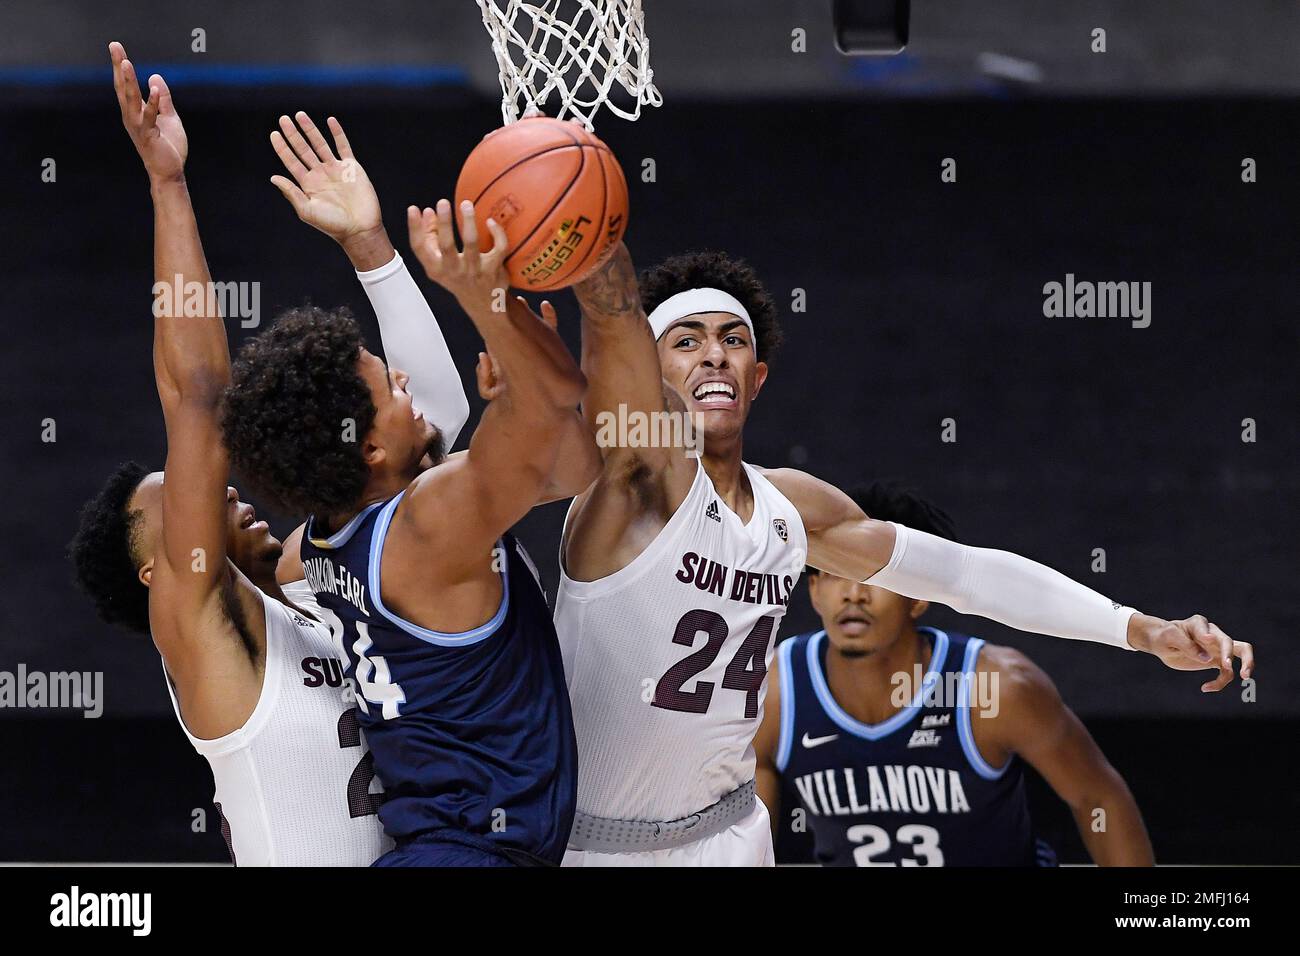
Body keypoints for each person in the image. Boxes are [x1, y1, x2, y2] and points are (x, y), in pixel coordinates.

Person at [554, 245, 1253, 866]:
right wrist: (593, 247)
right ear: (649, 370)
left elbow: (968, 574)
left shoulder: (793, 512)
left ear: (757, 376)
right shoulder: (631, 484)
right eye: (686, 340)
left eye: (732, 339)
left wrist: (1141, 630)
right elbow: (613, 330)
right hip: (600, 839)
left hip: (732, 835)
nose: (713, 354)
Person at [68, 44, 472, 864]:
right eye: (173, 500)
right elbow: (197, 402)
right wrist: (169, 187)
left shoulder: (315, 575)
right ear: (156, 570)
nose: (211, 498)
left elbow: (432, 425)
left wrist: (372, 248)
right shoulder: (200, 626)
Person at [220, 159, 602, 863]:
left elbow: (575, 465)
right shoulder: (429, 525)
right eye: (386, 384)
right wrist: (485, 301)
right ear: (367, 446)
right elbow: (559, 394)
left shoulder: (319, 545)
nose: (402, 379)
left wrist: (371, 245)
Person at [754, 481, 1155, 866]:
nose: (853, 593)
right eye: (834, 574)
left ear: (920, 596)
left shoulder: (992, 687)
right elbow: (750, 839)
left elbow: (1098, 797)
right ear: (813, 590)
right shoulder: (774, 692)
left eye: (873, 577)